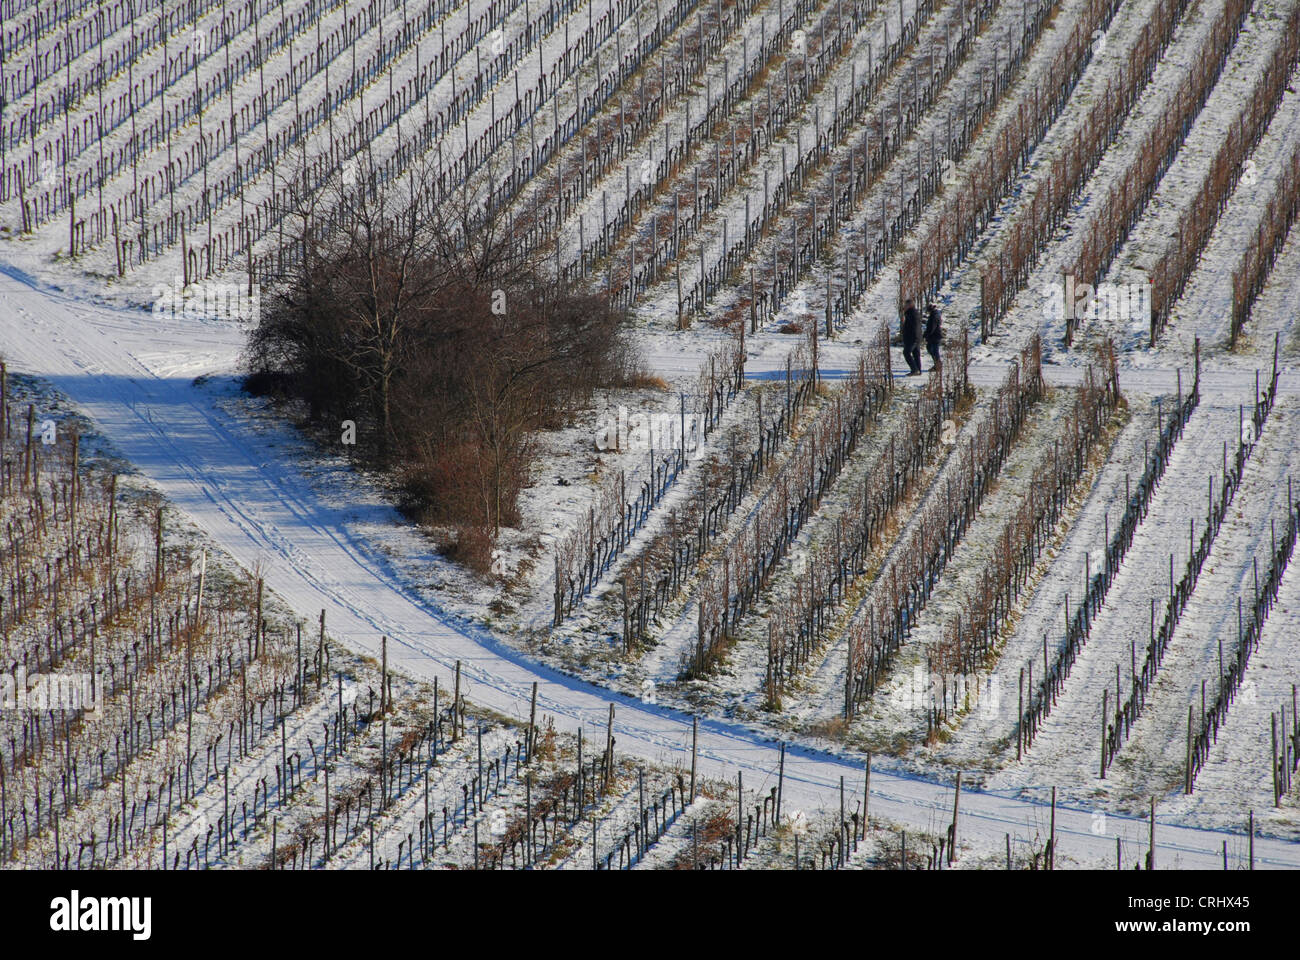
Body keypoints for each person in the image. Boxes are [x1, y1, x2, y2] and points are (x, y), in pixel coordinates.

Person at [901, 299, 922, 375]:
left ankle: (914, 369)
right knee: (916, 353)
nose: (904, 306)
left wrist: (914, 337)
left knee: (906, 353)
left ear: (910, 305)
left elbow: (915, 327)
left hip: (913, 338)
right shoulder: (913, 313)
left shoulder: (911, 314)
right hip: (916, 337)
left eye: (905, 305)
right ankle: (918, 370)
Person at [924, 301, 943, 372]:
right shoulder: (936, 314)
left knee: (934, 350)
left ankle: (938, 365)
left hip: (935, 336)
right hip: (935, 336)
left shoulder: (934, 315)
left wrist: (926, 334)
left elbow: (932, 327)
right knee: (932, 349)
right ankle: (937, 364)